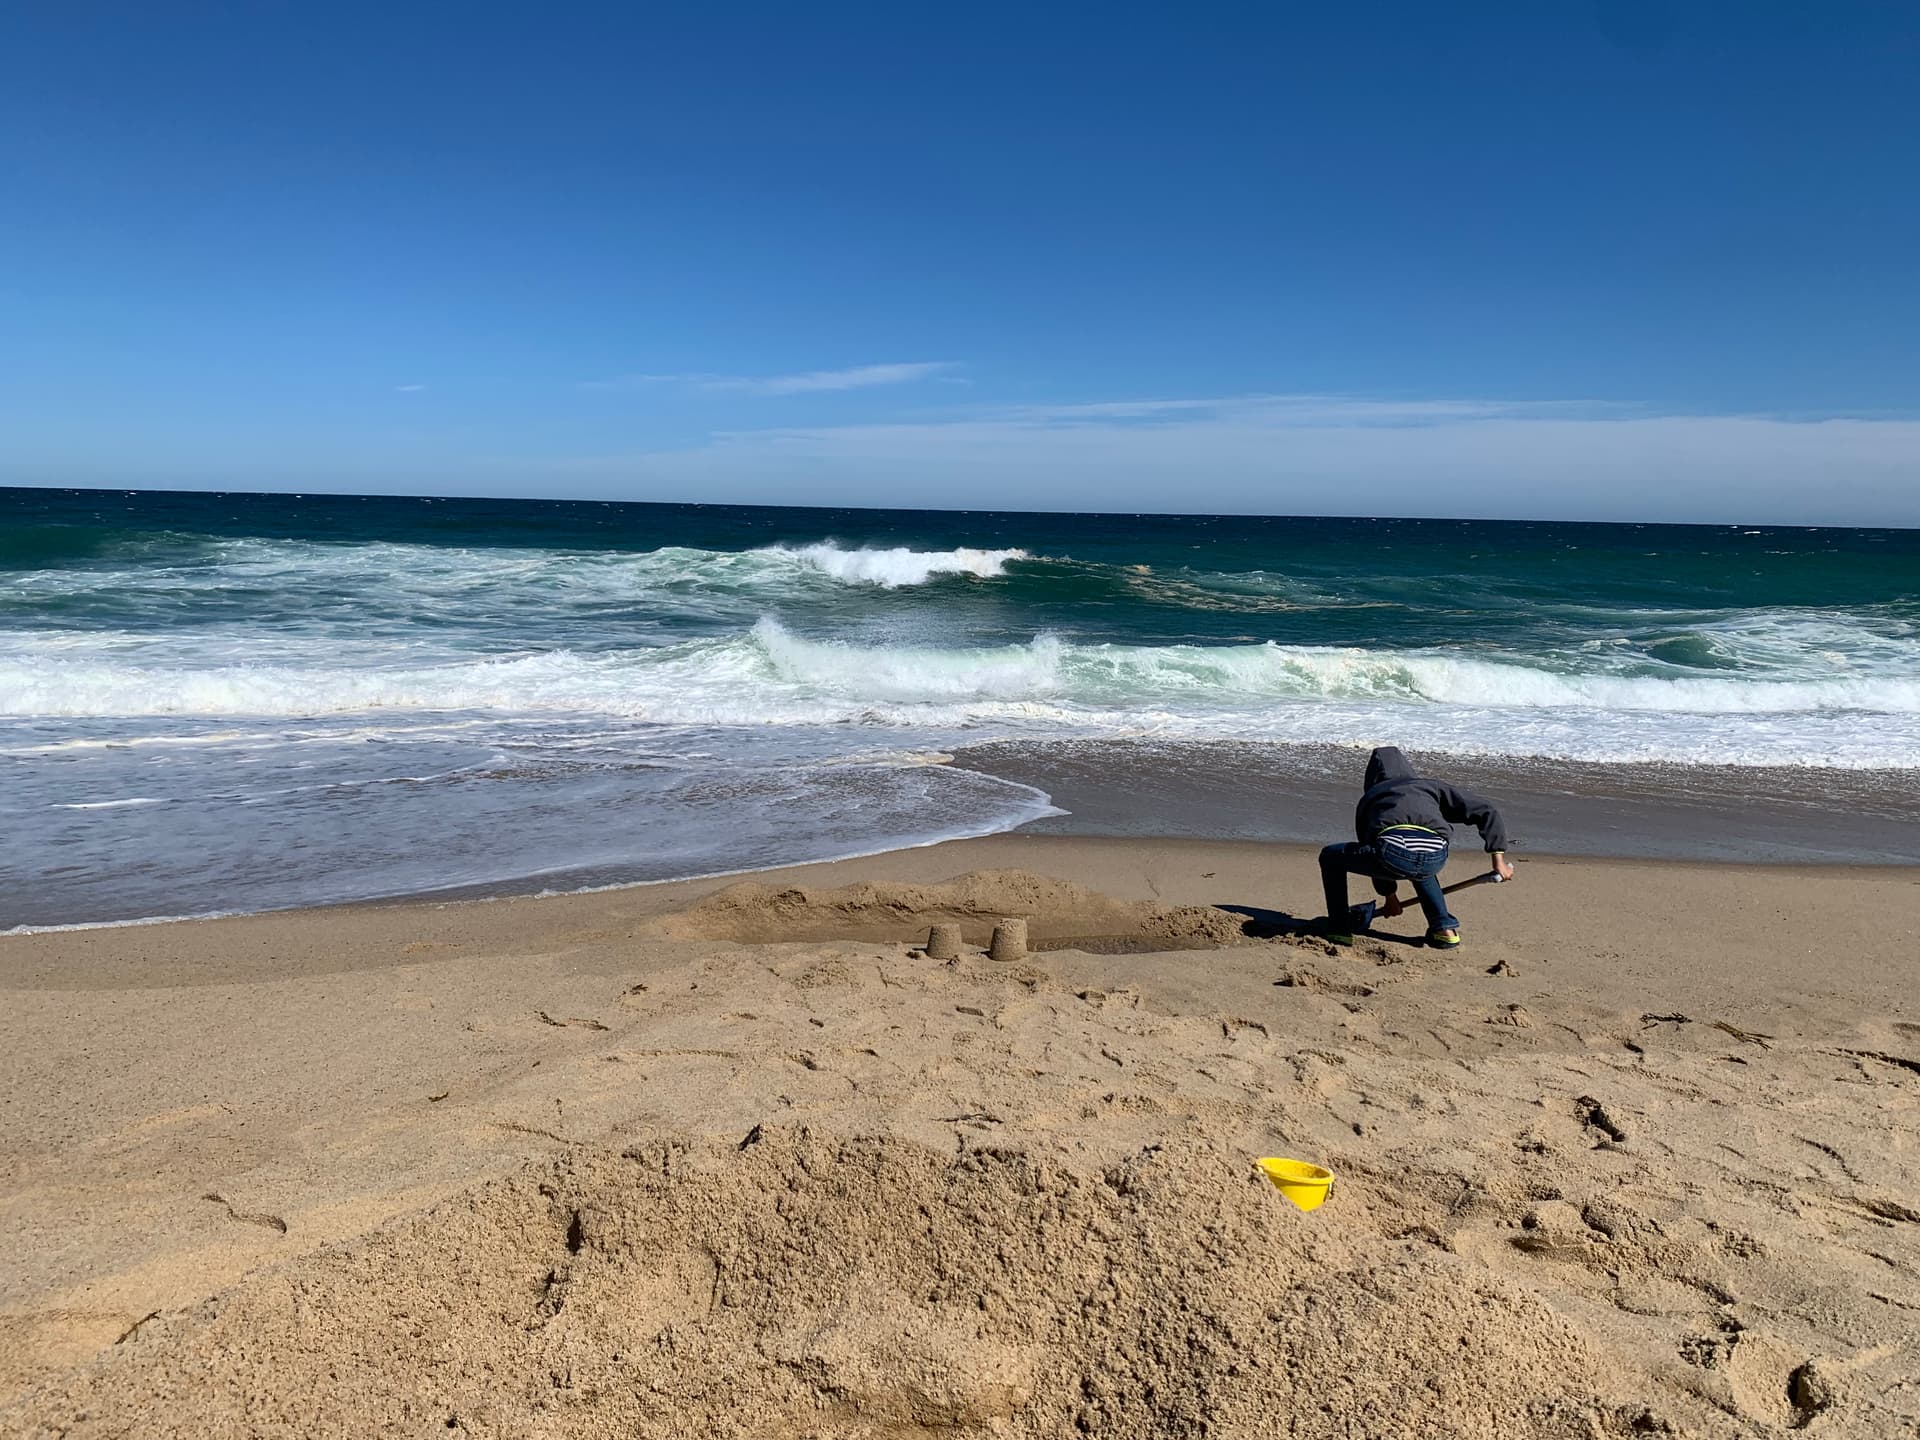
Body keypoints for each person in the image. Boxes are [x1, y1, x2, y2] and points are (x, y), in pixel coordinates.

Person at [1318, 746, 1513, 948]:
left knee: (1330, 857)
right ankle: (1444, 929)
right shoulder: (1430, 787)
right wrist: (1498, 860)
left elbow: (1372, 848)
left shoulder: (1372, 796)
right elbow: (1486, 811)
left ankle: (1339, 928)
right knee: (1420, 860)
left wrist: (1389, 895)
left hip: (1393, 852)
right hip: (1435, 855)